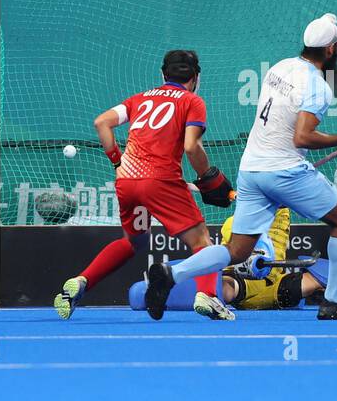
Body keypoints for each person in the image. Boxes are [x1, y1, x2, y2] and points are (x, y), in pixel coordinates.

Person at [141, 14, 337, 320]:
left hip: (252, 170)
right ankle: (332, 302)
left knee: (237, 250)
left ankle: (171, 273)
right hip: (285, 171)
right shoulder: (318, 86)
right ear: (331, 49)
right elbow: (302, 136)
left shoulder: (279, 67)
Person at [52, 49, 234, 321]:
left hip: (127, 180)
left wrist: (117, 161)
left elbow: (101, 122)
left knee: (133, 241)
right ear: (196, 78)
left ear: (163, 74)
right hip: (160, 180)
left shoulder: (140, 99)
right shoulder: (192, 100)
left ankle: (81, 281)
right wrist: (207, 176)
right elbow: (191, 147)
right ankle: (207, 295)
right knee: (202, 243)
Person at [125, 207, 337, 314]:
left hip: (279, 289)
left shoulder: (281, 209)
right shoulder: (239, 219)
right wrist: (255, 260)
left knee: (315, 273)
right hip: (245, 286)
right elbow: (245, 252)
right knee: (228, 287)